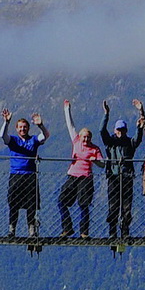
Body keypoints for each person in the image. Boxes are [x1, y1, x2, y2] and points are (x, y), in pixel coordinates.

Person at [98, 99, 145, 238]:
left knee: (126, 206)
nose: (120, 132)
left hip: (127, 177)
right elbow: (101, 131)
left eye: (122, 130)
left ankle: (125, 231)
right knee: (113, 205)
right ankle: (112, 231)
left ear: (126, 130)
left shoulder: (130, 142)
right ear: (115, 130)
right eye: (118, 130)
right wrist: (106, 114)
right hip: (113, 177)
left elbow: (138, 139)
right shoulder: (110, 142)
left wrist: (139, 128)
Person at [0, 108, 48, 237]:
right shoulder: (13, 141)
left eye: (25, 127)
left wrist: (41, 125)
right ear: (16, 129)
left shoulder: (33, 140)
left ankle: (31, 230)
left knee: (31, 204)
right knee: (13, 203)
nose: (23, 129)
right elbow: (3, 136)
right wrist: (6, 122)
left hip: (30, 175)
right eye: (20, 127)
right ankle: (12, 229)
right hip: (16, 175)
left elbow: (45, 136)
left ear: (28, 128)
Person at [59, 100, 99, 238]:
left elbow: (102, 163)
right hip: (72, 176)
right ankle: (67, 228)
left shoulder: (95, 149)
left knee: (84, 204)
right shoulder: (76, 142)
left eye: (88, 137)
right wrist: (67, 109)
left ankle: (84, 232)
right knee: (61, 201)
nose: (86, 139)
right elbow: (70, 126)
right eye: (84, 137)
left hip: (86, 178)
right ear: (80, 137)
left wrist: (95, 160)